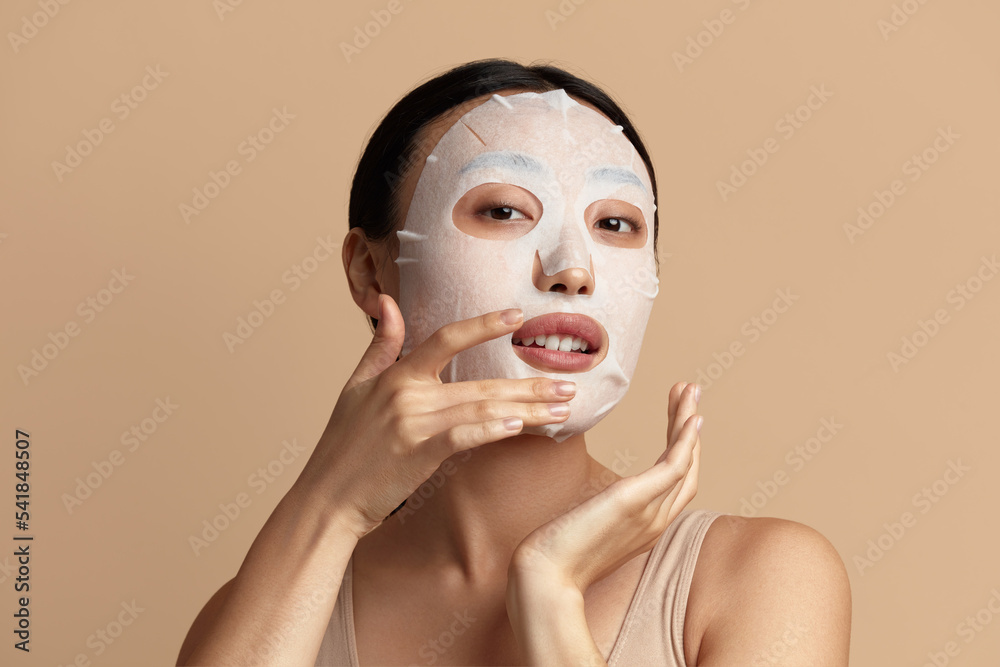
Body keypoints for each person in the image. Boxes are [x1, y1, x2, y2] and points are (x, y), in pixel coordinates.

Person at [177, 59, 851, 666]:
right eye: (503, 210)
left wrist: (550, 595)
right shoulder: (264, 612)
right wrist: (328, 503)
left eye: (614, 223)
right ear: (369, 268)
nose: (571, 269)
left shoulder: (760, 578)